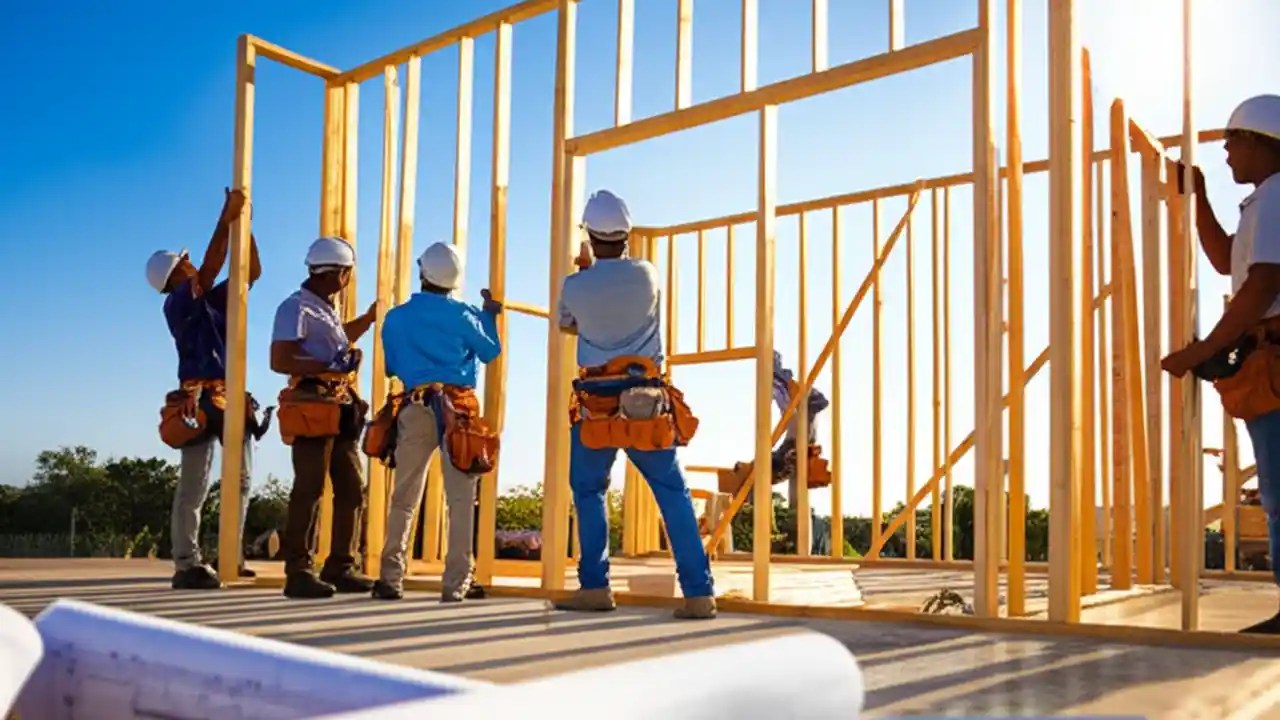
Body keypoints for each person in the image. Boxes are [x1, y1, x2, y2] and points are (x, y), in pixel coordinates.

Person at [554, 189, 716, 620]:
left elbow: (568, 327)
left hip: (596, 406)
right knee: (673, 494)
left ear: (588, 234)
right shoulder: (648, 273)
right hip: (646, 401)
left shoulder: (574, 285)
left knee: (589, 492)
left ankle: (595, 588)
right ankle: (699, 594)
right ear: (627, 234)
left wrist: (587, 275)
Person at [1160, 95, 1280, 633]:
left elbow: (1262, 285)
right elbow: (1226, 259)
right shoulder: (1265, 202)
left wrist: (1202, 350)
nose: (1226, 152)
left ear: (1258, 142)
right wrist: (1198, 199)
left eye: (1232, 141)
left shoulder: (1278, 197)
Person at [373, 242, 503, 602]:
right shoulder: (463, 314)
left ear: (422, 273)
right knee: (460, 499)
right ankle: (456, 584)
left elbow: (391, 368)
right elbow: (491, 351)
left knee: (404, 497)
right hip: (457, 410)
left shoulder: (396, 318)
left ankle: (390, 578)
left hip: (414, 406)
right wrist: (489, 315)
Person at [146, 188, 262, 590]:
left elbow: (251, 273)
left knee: (242, 480)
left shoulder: (209, 301)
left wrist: (244, 226)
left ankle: (231, 553)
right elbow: (211, 269)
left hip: (227, 395)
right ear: (175, 274)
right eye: (186, 261)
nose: (192, 263)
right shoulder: (177, 303)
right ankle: (186, 563)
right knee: (195, 483)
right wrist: (225, 219)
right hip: (199, 399)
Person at [269, 236, 378, 599]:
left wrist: (368, 320)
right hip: (312, 404)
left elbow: (338, 340)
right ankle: (298, 571)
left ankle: (340, 566)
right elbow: (280, 359)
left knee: (350, 488)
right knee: (310, 488)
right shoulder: (294, 307)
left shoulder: (325, 308)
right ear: (339, 274)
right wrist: (325, 366)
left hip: (338, 404)